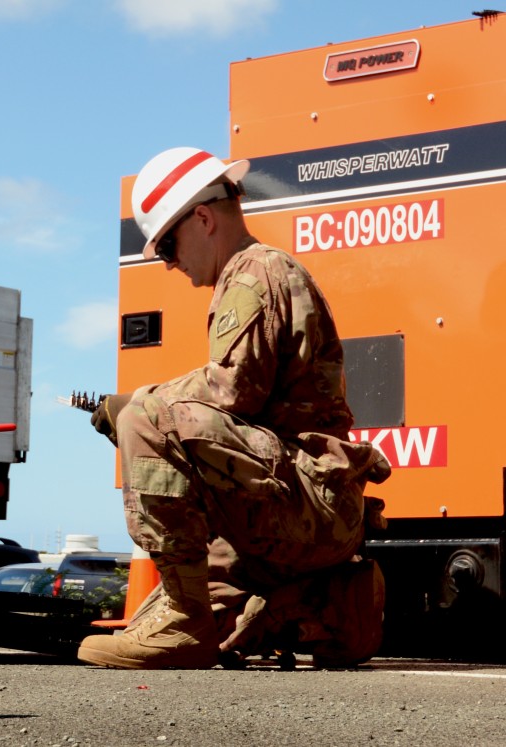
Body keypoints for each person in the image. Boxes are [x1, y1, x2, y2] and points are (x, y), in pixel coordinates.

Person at [78, 147, 390, 670]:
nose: (170, 263)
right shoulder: (256, 274)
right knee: (216, 617)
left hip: (305, 503)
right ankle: (332, 603)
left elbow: (230, 393)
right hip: (306, 512)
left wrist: (136, 403)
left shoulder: (253, 274)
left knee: (147, 418)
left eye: (168, 246)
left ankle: (184, 618)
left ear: (202, 218)